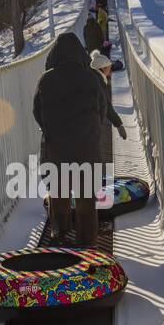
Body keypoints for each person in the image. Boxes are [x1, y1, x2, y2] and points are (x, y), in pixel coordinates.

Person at [33, 31, 106, 246]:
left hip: (56, 152)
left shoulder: (45, 80)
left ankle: (59, 237)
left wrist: (54, 130)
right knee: (86, 202)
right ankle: (87, 244)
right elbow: (101, 111)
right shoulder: (92, 79)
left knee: (59, 197)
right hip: (86, 151)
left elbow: (37, 112)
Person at [90, 49, 126, 167]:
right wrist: (118, 124)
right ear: (103, 69)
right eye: (109, 68)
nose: (110, 72)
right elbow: (106, 105)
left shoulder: (91, 76)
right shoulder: (98, 81)